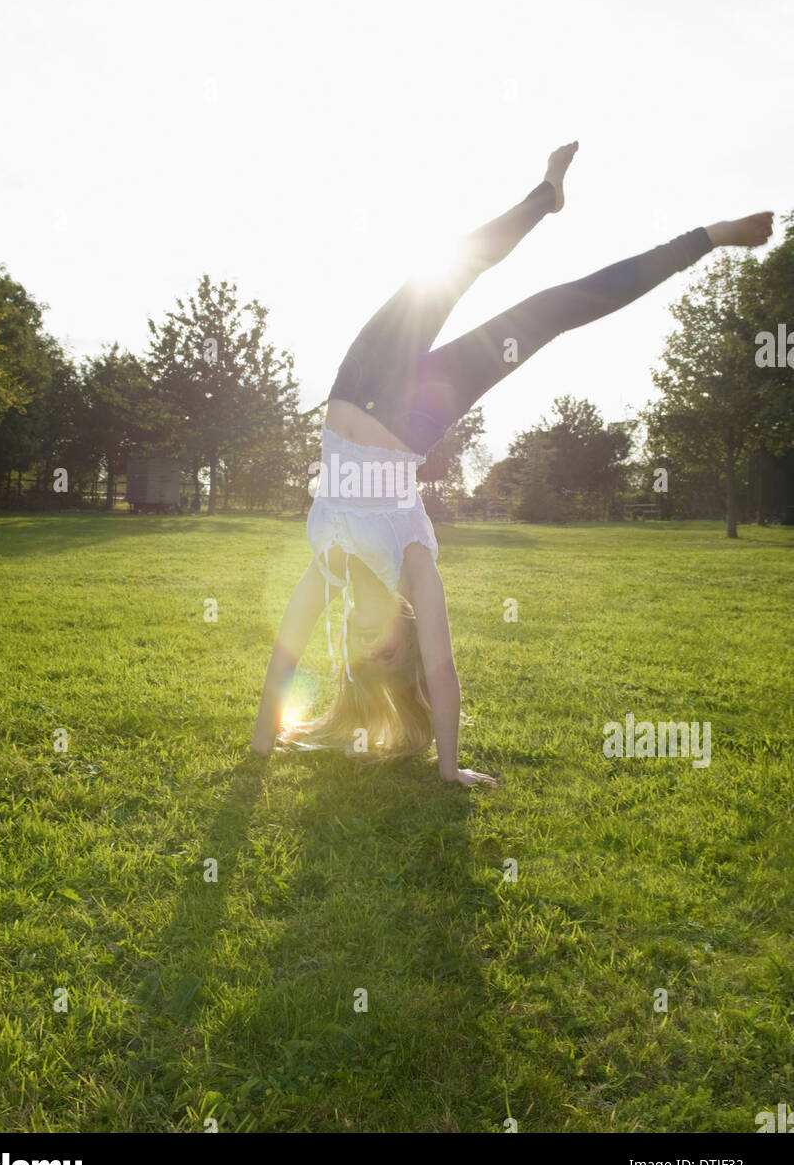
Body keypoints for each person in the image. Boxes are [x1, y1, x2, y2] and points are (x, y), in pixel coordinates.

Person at [251, 141, 773, 783]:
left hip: (353, 378)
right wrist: (451, 772)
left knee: (453, 265)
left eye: (357, 646)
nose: (363, 635)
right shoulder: (412, 564)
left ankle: (544, 197)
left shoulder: (326, 559)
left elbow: (285, 654)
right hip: (416, 411)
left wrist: (258, 753)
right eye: (382, 646)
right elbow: (441, 669)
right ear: (400, 636)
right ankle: (707, 237)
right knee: (550, 310)